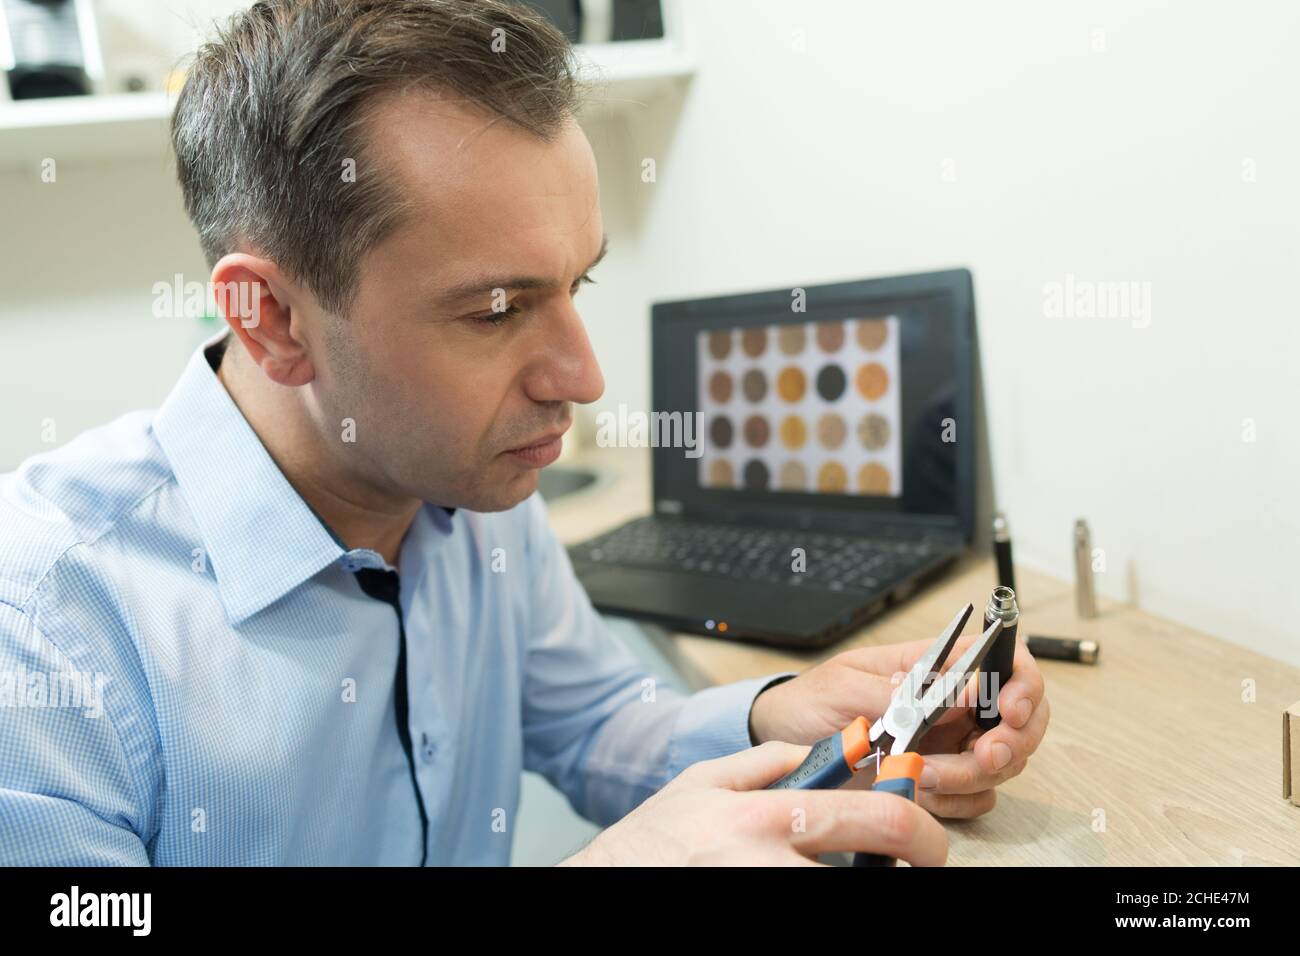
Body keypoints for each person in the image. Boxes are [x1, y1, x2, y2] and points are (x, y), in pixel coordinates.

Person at [0, 0, 1048, 866]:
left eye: (577, 283)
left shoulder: (474, 485)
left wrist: (784, 718)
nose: (581, 379)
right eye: (496, 310)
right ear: (271, 318)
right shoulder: (43, 627)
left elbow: (593, 720)